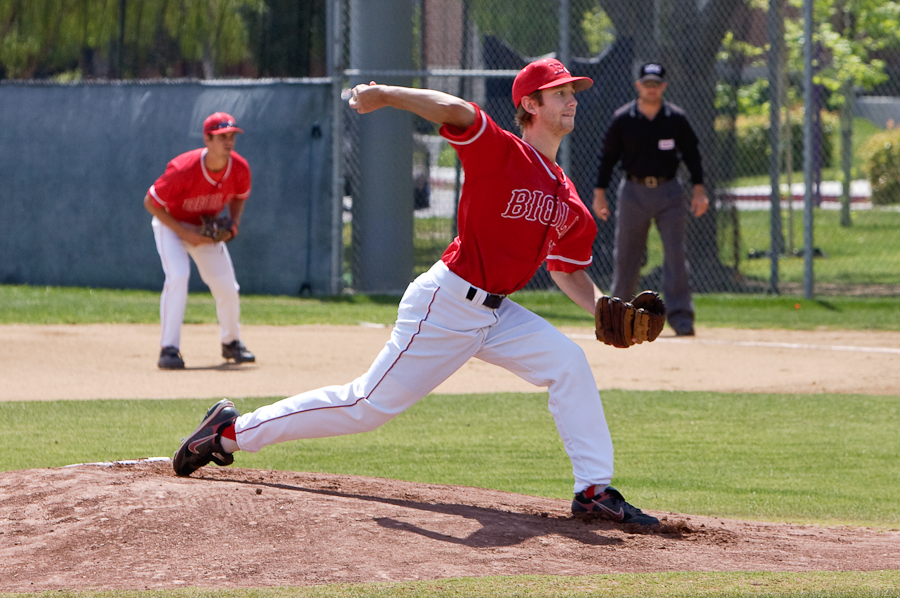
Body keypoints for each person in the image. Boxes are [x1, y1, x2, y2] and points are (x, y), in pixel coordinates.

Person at [172, 59, 659, 526]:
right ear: (530, 105)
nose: (571, 100)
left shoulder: (568, 197)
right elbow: (454, 109)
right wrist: (385, 95)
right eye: (560, 93)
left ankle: (594, 490)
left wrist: (598, 304)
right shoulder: (502, 152)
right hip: (446, 304)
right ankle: (229, 432)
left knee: (568, 363)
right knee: (364, 407)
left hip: (496, 314)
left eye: (572, 92)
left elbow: (567, 269)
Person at [593, 62, 709, 337]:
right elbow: (607, 157)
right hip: (633, 192)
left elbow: (692, 154)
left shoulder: (675, 119)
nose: (651, 89)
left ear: (663, 87)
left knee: (675, 255)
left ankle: (681, 317)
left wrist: (699, 190)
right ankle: (619, 317)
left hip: (670, 192)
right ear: (638, 86)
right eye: (647, 84)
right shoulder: (623, 118)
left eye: (656, 84)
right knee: (626, 256)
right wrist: (599, 194)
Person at [144, 112, 255, 370]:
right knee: (178, 275)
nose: (228, 141)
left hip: (204, 230)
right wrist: (184, 234)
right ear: (207, 138)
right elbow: (151, 203)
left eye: (231, 136)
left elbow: (240, 196)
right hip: (171, 224)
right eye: (221, 136)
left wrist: (233, 224)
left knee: (227, 285)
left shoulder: (239, 168)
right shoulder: (184, 168)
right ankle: (168, 349)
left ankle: (231, 343)